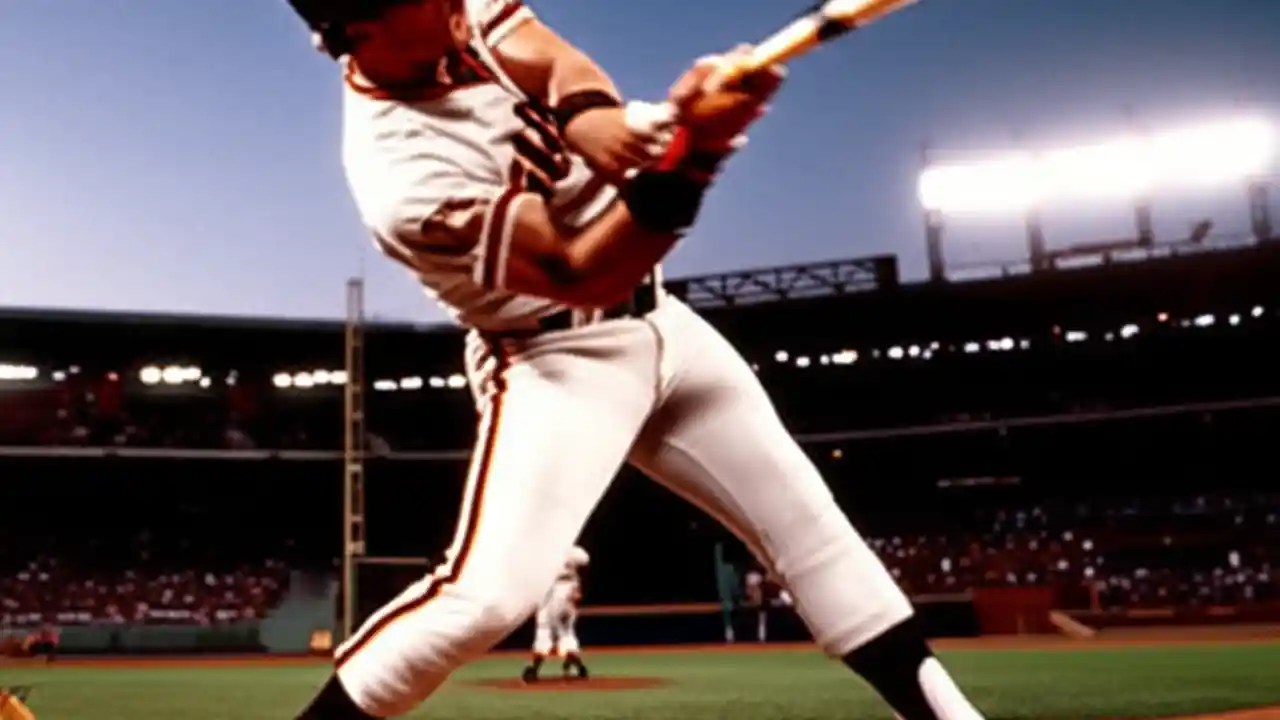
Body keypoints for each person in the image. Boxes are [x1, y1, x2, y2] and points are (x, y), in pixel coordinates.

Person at [285, 1, 987, 719]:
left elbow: (556, 64)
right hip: (554, 360)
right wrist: (698, 150)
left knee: (814, 533)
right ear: (360, 32)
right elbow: (583, 270)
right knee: (485, 598)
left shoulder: (456, 17)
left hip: (665, 325)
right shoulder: (404, 178)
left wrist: (599, 125)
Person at [522, 544, 590, 682]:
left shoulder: (549, 551)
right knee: (562, 631)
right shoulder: (569, 550)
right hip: (562, 592)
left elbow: (584, 559)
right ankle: (578, 667)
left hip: (557, 592)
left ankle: (534, 670)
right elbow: (585, 559)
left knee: (548, 629)